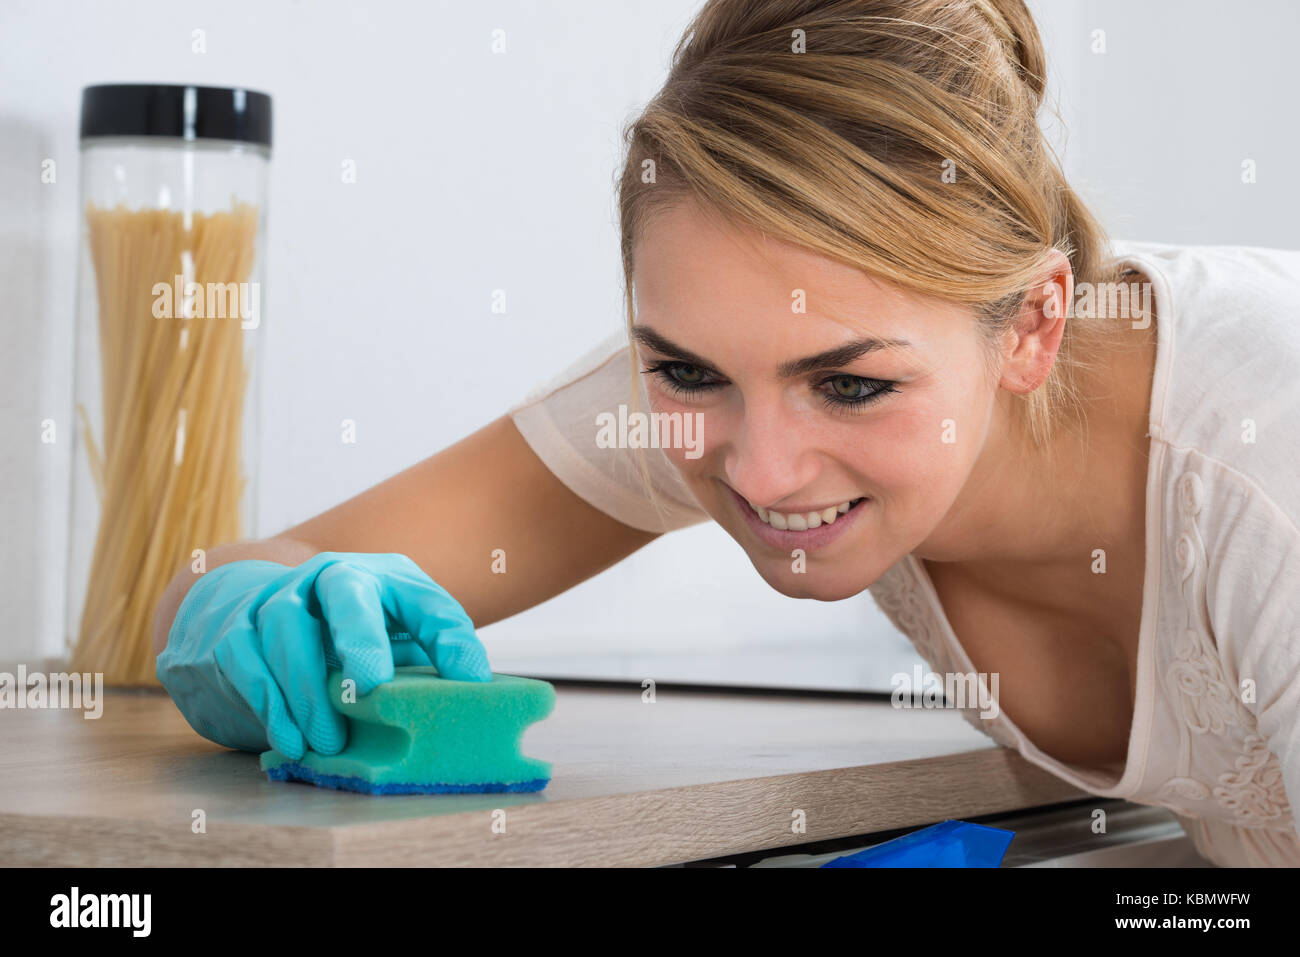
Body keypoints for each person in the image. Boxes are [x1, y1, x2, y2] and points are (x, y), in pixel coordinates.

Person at [153, 0, 1300, 867]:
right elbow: (222, 585)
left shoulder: (1263, 462)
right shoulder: (742, 379)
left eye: (849, 389)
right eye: (687, 370)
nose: (759, 471)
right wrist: (250, 629)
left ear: (1033, 326)